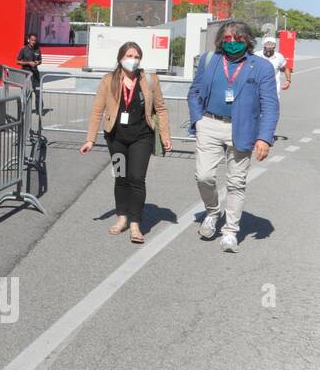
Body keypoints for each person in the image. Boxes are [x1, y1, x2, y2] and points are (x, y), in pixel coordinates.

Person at [188, 21, 279, 253]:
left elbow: (270, 104)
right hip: (209, 123)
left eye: (237, 39)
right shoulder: (210, 61)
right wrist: (198, 119)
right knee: (203, 176)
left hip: (243, 129)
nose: (232, 43)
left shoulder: (261, 67)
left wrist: (264, 138)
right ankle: (212, 211)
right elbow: (195, 92)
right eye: (227, 39)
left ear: (248, 41)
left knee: (236, 183)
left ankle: (230, 231)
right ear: (221, 41)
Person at [81, 42, 171, 244]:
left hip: (142, 137)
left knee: (137, 178)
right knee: (121, 177)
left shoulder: (149, 79)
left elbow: (161, 109)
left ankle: (135, 224)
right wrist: (90, 139)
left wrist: (165, 136)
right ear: (121, 58)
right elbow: (97, 110)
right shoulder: (108, 80)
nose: (133, 59)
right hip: (116, 138)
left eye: (137, 56)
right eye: (129, 55)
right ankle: (122, 217)